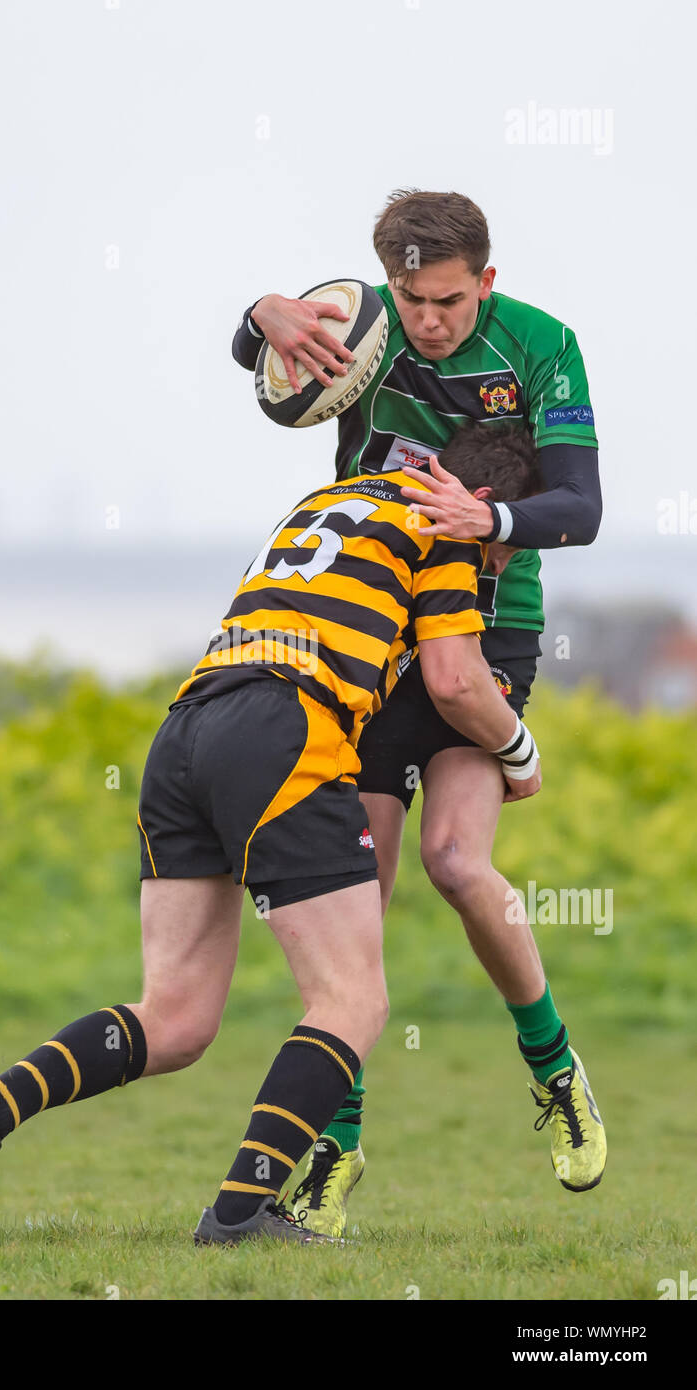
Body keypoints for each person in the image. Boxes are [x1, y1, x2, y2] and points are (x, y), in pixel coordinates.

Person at [0, 435, 542, 1246]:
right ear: (488, 512)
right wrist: (520, 752)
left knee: (175, 1017)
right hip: (285, 729)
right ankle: (239, 1217)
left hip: (187, 728)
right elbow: (457, 681)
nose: (497, 567)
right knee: (354, 999)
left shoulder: (324, 504)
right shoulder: (448, 523)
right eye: (505, 548)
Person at [231, 189, 606, 1235]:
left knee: (452, 859)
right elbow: (259, 355)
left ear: (484, 281)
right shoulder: (367, 320)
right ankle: (336, 1153)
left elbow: (578, 506)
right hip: (367, 632)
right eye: (409, 297)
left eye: (445, 299)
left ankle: (553, 1066)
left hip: (485, 631)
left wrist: (481, 515)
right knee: (358, 890)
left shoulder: (542, 347)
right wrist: (261, 309)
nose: (425, 318)